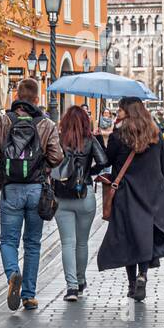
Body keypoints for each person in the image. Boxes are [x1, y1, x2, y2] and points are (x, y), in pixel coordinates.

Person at [0, 78, 62, 311]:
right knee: (32, 243)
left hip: (11, 189)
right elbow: (57, 156)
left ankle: (12, 275)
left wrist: (1, 181)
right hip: (36, 189)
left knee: (8, 240)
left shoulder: (2, 121)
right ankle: (28, 295)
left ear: (16, 96)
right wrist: (42, 168)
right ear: (37, 99)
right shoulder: (46, 124)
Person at [97, 96, 164, 302]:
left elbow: (107, 160)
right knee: (145, 234)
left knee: (128, 236)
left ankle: (132, 284)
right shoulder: (155, 134)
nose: (117, 115)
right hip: (151, 193)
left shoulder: (118, 136)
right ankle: (143, 274)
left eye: (120, 111)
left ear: (128, 112)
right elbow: (163, 166)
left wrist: (103, 139)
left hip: (126, 193)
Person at [52, 105, 109, 301]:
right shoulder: (90, 140)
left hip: (61, 196)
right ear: (85, 122)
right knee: (82, 242)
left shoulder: (58, 140)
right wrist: (89, 174)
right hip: (84, 195)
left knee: (68, 242)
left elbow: (49, 162)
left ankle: (71, 288)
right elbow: (104, 161)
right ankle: (81, 278)